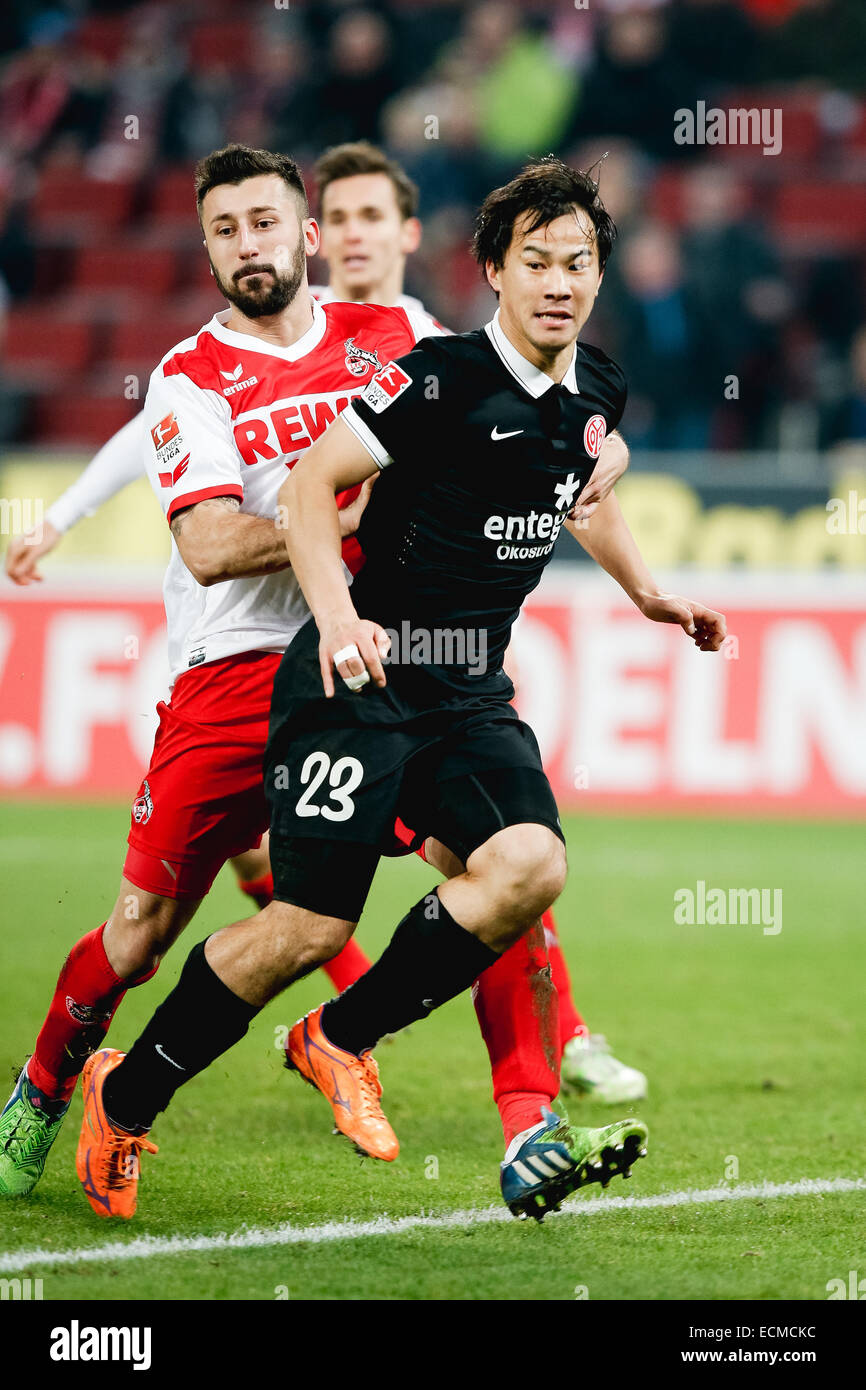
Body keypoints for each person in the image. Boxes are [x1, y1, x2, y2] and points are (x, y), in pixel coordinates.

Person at [77, 157, 726, 1222]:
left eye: (577, 263)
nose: (558, 281)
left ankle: (337, 1036)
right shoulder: (435, 377)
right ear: (492, 272)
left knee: (528, 866)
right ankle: (127, 1091)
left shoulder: (596, 386)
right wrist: (335, 620)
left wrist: (651, 592)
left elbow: (580, 492)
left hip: (467, 692)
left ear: (598, 276)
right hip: (356, 686)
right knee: (307, 931)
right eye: (535, 262)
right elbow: (304, 485)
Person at [0, 143, 431, 1201]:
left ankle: (388, 1053)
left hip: (356, 665)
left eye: (266, 223)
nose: (249, 244)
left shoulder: (396, 335)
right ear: (205, 248)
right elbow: (207, 546)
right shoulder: (191, 376)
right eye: (226, 229)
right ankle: (47, 1085)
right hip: (231, 672)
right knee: (139, 934)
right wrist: (349, 516)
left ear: (309, 235)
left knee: (497, 859)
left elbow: (489, 413)